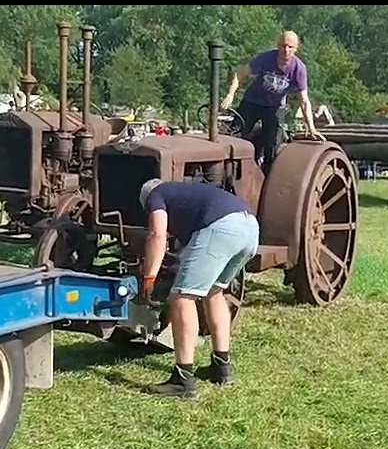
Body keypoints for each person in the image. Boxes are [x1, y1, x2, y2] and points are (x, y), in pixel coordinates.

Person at [138, 179, 260, 398]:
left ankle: (183, 380)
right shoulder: (184, 192)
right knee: (214, 291)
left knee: (182, 297)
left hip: (222, 228)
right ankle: (221, 367)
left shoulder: (155, 194)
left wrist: (149, 277)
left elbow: (157, 235)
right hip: (250, 228)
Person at [220, 31, 324, 173]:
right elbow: (240, 73)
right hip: (253, 102)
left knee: (273, 145)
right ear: (278, 45)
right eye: (283, 46)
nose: (286, 50)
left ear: (296, 48)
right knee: (235, 134)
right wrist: (230, 95)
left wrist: (311, 128)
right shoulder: (266, 58)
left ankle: (266, 175)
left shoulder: (298, 69)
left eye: (290, 47)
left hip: (274, 107)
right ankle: (227, 171)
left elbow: (304, 101)